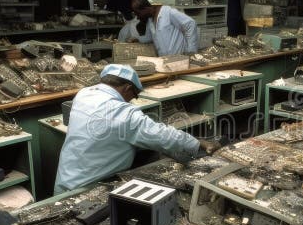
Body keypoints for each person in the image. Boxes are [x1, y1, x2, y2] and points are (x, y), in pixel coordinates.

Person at [54, 64, 220, 193]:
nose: (131, 100)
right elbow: (161, 135)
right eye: (133, 96)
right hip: (89, 187)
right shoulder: (122, 112)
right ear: (126, 88)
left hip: (65, 181)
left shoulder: (84, 94)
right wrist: (199, 143)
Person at [131, 0, 198, 56]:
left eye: (138, 13)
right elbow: (151, 38)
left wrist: (191, 51)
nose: (138, 17)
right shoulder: (150, 20)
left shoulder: (168, 12)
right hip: (165, 60)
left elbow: (190, 24)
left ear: (146, 8)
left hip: (179, 57)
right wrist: (138, 40)